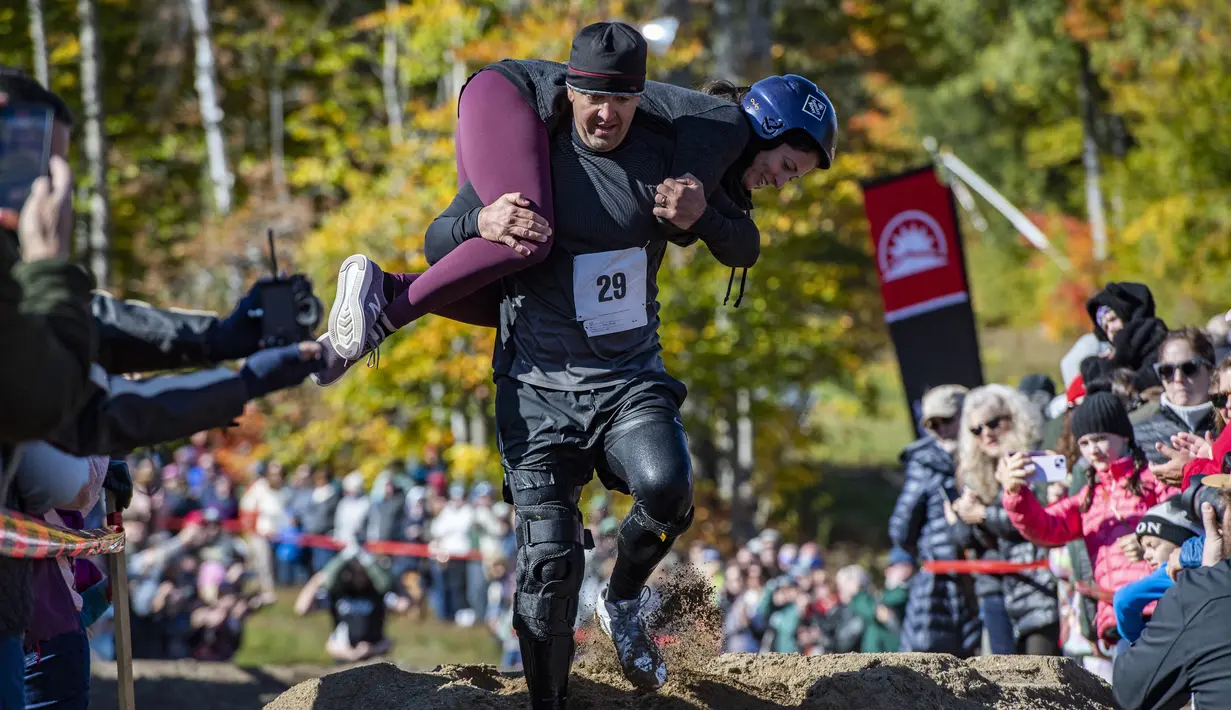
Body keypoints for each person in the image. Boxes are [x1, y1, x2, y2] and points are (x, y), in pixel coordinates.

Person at [310, 23, 837, 387]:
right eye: (788, 166)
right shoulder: (724, 127)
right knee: (529, 239)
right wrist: (706, 219)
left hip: (507, 112)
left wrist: (474, 222)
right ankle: (382, 318)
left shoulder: (715, 143)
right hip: (506, 94)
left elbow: (438, 244)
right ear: (767, 129)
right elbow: (686, 223)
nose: (782, 183)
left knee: (524, 300)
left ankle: (380, 295)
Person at [1000, 392, 1178, 653]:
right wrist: (1017, 494)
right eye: (1084, 442)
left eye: (1100, 439)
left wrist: (1150, 542)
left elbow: (1182, 530)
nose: (1092, 450)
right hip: (1117, 621)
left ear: (1124, 435)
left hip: (1163, 608)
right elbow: (1045, 528)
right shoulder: (1088, 496)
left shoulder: (1156, 479)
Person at [950, 384, 1058, 655]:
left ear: (1014, 419)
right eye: (976, 429)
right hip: (1000, 590)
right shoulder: (976, 472)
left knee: (1044, 680)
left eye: (993, 423)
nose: (986, 434)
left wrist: (983, 515)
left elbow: (1037, 522)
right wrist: (963, 516)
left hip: (1040, 584)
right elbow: (966, 542)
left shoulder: (1036, 460)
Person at [1112, 475, 1231, 710]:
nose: (1146, 555)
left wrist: (1209, 575)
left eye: (1153, 546)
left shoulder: (1194, 589)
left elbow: (1129, 694)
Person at [887, 385, 981, 656]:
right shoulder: (925, 463)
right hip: (938, 582)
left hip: (983, 577)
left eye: (946, 420)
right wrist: (930, 552)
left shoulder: (985, 455)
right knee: (928, 664)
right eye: (932, 424)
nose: (940, 429)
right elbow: (901, 528)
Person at [1112, 497, 1201, 643]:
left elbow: (1123, 600)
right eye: (1144, 549)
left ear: (1180, 541)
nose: (1146, 556)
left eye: (1153, 546)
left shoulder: (1179, 571)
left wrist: (1141, 642)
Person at [1134, 328, 1219, 468]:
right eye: (1167, 370)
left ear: (1211, 371)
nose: (1178, 379)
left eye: (1189, 368)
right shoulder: (1138, 432)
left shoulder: (1227, 423)